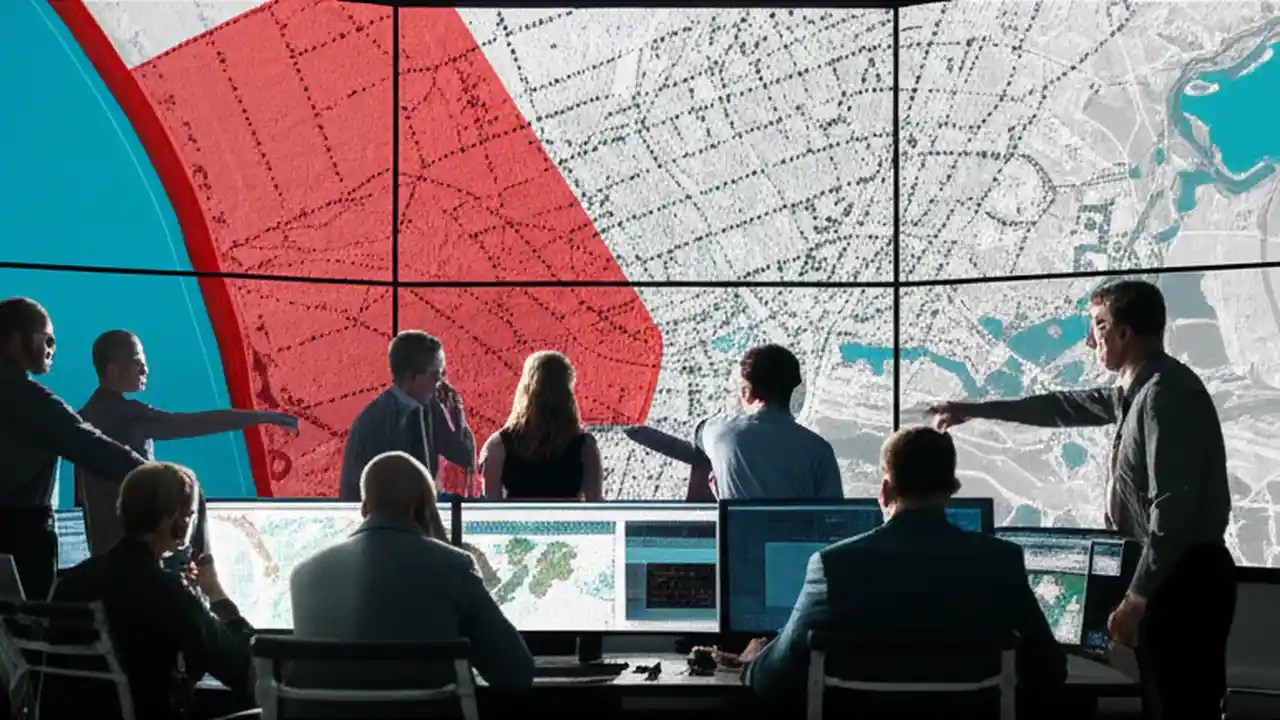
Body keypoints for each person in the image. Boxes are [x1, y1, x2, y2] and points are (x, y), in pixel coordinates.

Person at [926, 279, 1235, 719]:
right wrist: (974, 410)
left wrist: (1137, 598)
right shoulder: (1138, 392)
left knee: (1180, 706)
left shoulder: (1165, 395)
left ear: (1125, 333)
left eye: (1099, 326)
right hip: (1171, 576)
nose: (1090, 340)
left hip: (1182, 583)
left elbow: (1174, 508)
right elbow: (1060, 409)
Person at [726, 426, 1066, 713]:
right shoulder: (1000, 561)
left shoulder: (833, 566)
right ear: (953, 489)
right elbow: (1050, 670)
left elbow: (773, 682)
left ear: (885, 489)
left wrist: (755, 660)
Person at [292, 451, 534, 692]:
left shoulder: (303, 576)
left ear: (364, 508)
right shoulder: (453, 567)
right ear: (424, 509)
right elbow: (516, 672)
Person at [49, 462, 256, 718]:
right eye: (189, 516)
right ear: (177, 520)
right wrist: (215, 594)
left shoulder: (70, 582)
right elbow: (244, 672)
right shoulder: (168, 591)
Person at [76, 329, 299, 559]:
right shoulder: (129, 416)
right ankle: (202, 563)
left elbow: (80, 497)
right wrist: (261, 417)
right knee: (190, 486)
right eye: (137, 363)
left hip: (101, 549)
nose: (145, 370)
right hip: (136, 548)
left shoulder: (83, 418)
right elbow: (192, 424)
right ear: (112, 370)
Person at [0, 297, 145, 601]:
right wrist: (159, 477)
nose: (52, 348)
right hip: (19, 541)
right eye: (47, 339)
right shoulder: (31, 402)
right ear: (15, 340)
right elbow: (91, 447)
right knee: (27, 634)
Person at [694, 343, 842, 499]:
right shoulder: (819, 450)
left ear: (746, 392)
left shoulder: (722, 434)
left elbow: (700, 433)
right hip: (795, 524)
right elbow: (834, 515)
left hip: (740, 524)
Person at [340, 331, 475, 501]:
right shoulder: (373, 422)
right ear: (411, 377)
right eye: (436, 375)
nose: (441, 384)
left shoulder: (432, 410)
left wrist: (457, 417)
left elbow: (463, 457)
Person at [480, 351, 603, 501]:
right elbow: (596, 505)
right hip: (566, 523)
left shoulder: (499, 444)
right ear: (567, 393)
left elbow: (491, 508)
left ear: (525, 389)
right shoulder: (585, 446)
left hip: (518, 524)